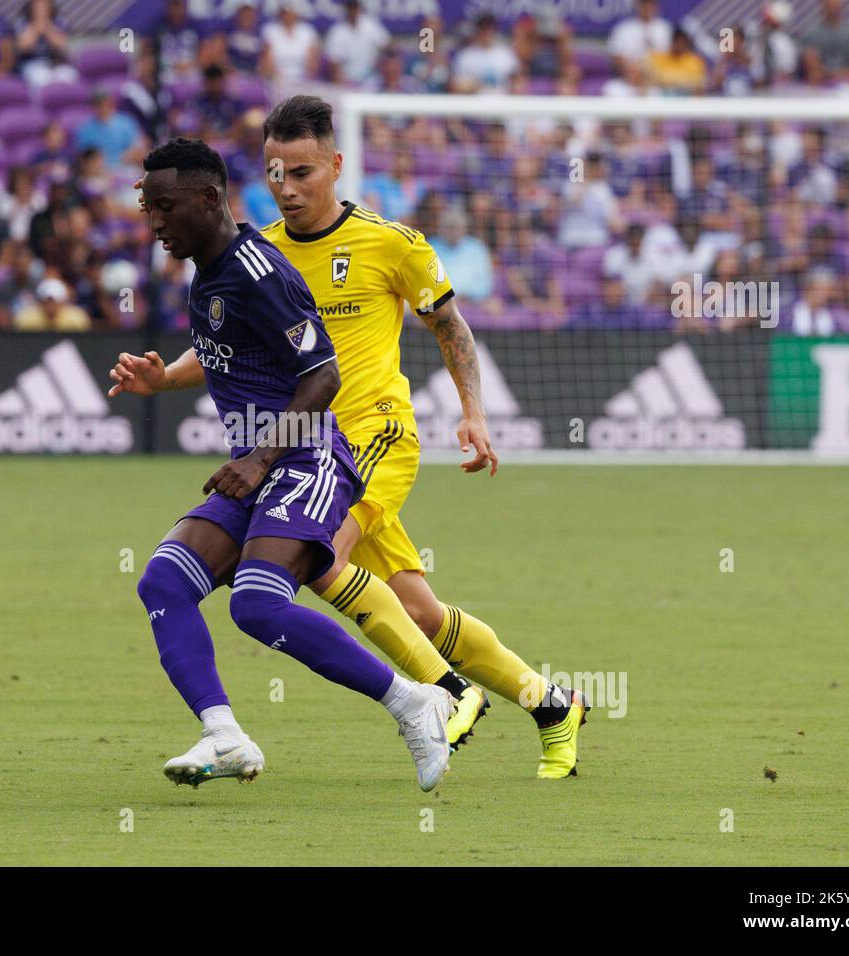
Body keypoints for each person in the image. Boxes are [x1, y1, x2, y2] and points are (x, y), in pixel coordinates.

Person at [120, 100, 590, 778]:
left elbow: (450, 327)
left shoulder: (388, 241)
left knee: (315, 559)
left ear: (336, 166)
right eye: (276, 172)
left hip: (370, 435)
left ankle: (444, 697)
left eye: (303, 171)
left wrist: (474, 413)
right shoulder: (261, 251)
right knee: (417, 611)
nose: (287, 186)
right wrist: (165, 378)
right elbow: (230, 352)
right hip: (295, 445)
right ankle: (550, 704)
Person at [111, 137, 456, 790]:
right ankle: (225, 736)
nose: (153, 222)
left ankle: (417, 701)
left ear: (208, 199)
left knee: (257, 606)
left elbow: (323, 376)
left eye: (164, 207)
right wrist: (162, 381)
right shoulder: (209, 273)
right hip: (257, 467)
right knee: (162, 582)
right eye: (146, 208)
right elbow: (231, 359)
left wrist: (261, 457)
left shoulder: (256, 271)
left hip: (308, 458)